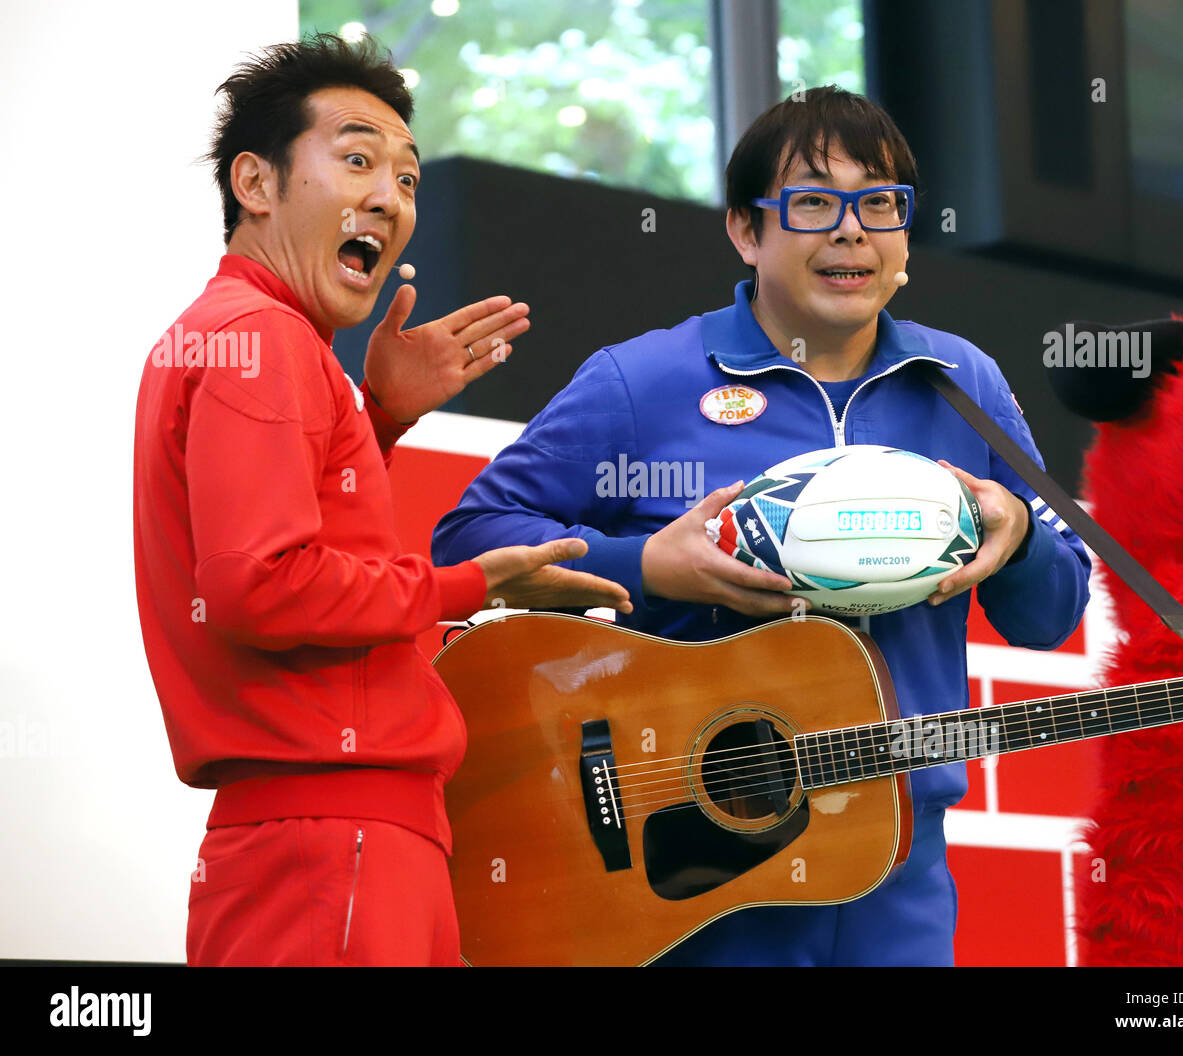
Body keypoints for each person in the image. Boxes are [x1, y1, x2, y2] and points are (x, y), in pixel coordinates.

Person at [431, 86, 1091, 966]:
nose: (852, 230)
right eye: (814, 202)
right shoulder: (644, 379)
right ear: (747, 231)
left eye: (880, 203)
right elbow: (470, 537)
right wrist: (645, 567)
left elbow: (1051, 613)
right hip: (693, 865)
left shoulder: (963, 383)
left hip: (897, 863)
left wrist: (1020, 529)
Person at [132, 34, 631, 967]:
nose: (389, 198)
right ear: (257, 183)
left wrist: (376, 419)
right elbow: (262, 585)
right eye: (356, 159)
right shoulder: (263, 339)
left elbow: (275, 555)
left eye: (406, 179)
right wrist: (467, 585)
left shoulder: (238, 339)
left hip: (327, 842)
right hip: (337, 839)